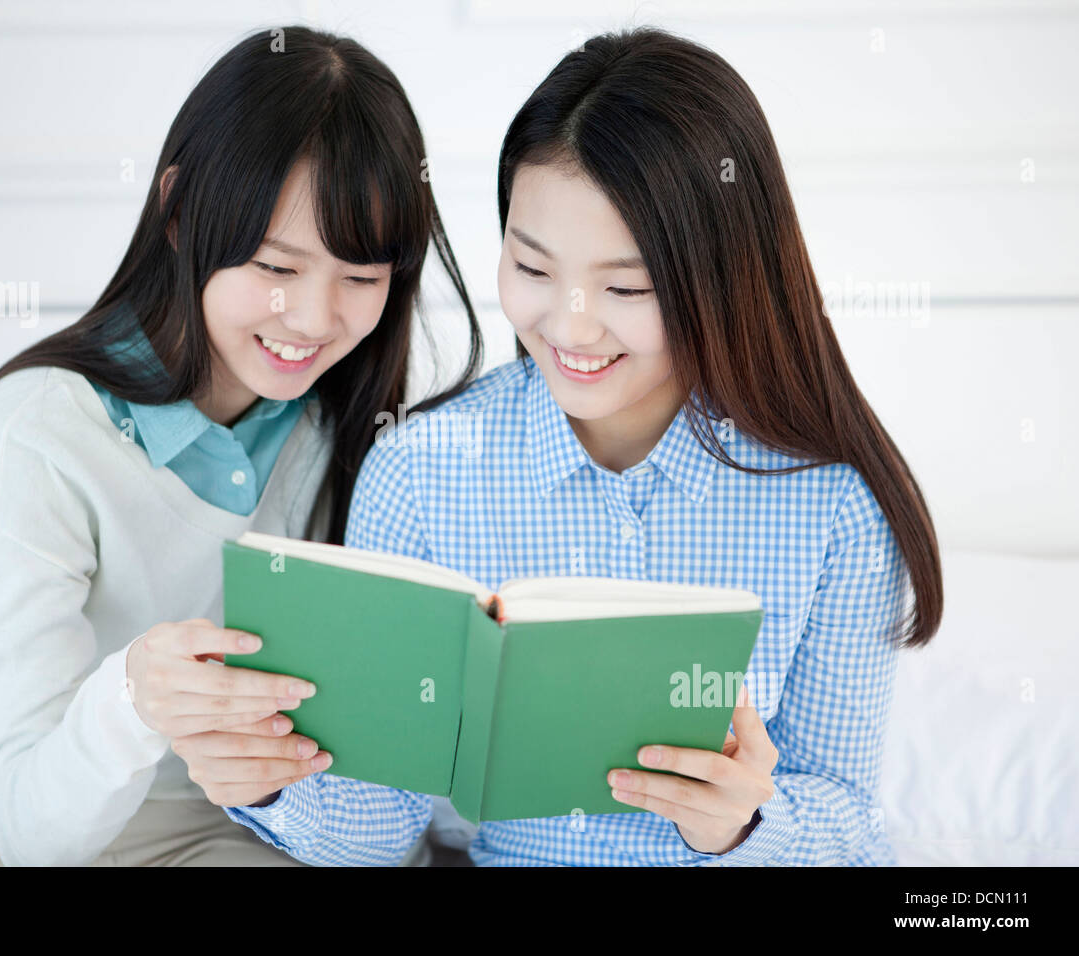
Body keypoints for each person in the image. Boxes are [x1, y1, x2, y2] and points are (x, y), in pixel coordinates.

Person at [220, 27, 942, 866]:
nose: (568, 326)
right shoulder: (421, 473)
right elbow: (374, 834)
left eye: (625, 286)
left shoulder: (833, 503)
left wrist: (744, 827)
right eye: (531, 269)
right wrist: (266, 779)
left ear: (719, 275)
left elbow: (851, 821)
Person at [0, 25, 481, 867]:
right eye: (276, 267)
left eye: (359, 279)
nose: (318, 320)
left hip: (204, 820)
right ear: (180, 213)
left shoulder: (337, 426)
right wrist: (133, 698)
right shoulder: (39, 435)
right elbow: (32, 828)